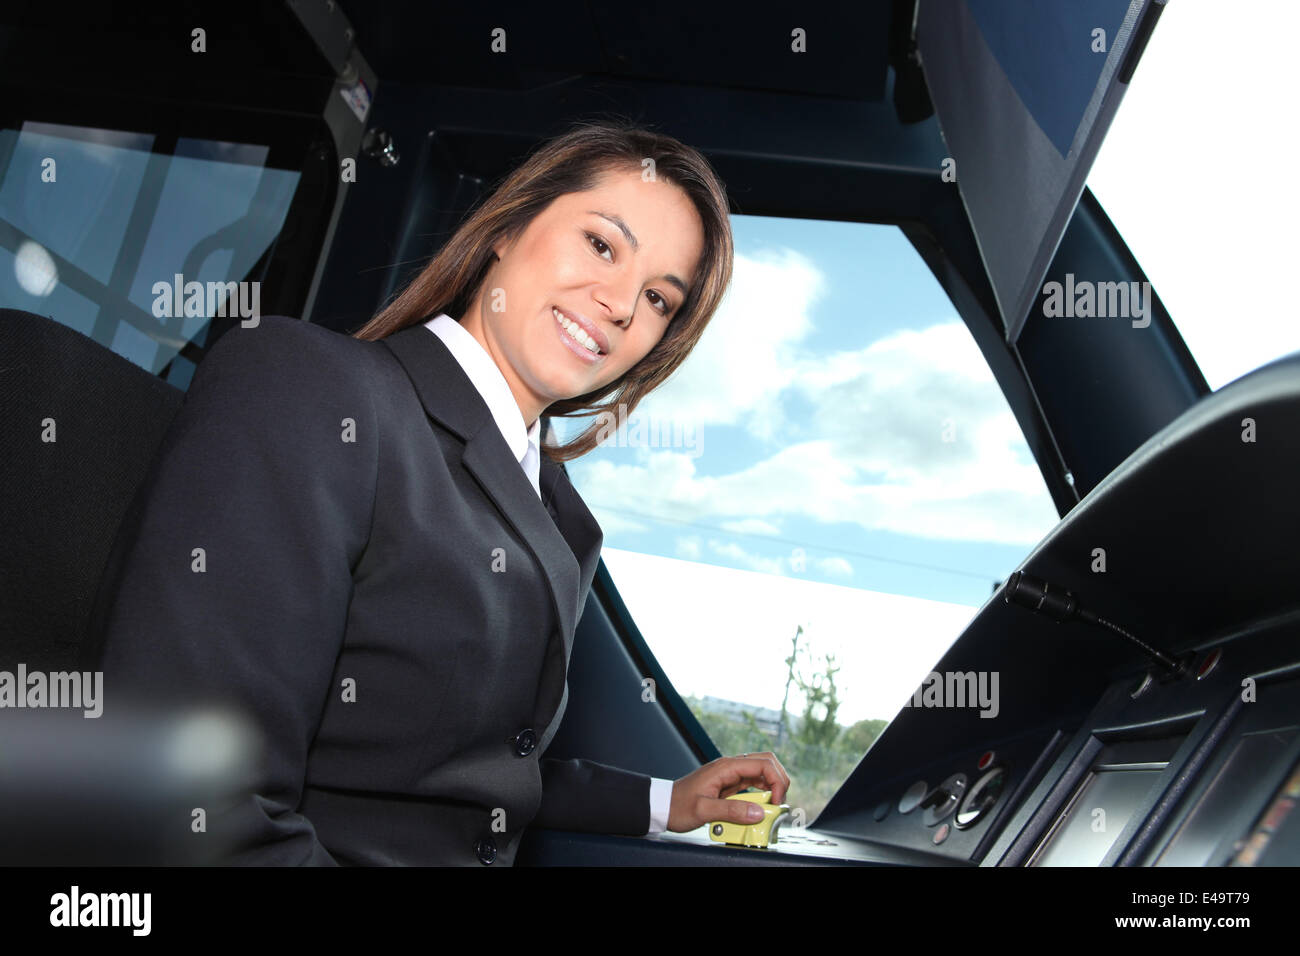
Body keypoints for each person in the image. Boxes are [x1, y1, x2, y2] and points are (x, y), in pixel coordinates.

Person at [95, 118, 789, 865]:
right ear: (508, 227)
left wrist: (667, 802)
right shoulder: (310, 389)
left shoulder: (561, 516)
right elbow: (186, 801)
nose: (621, 302)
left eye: (658, 299)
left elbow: (458, 768)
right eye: (600, 244)